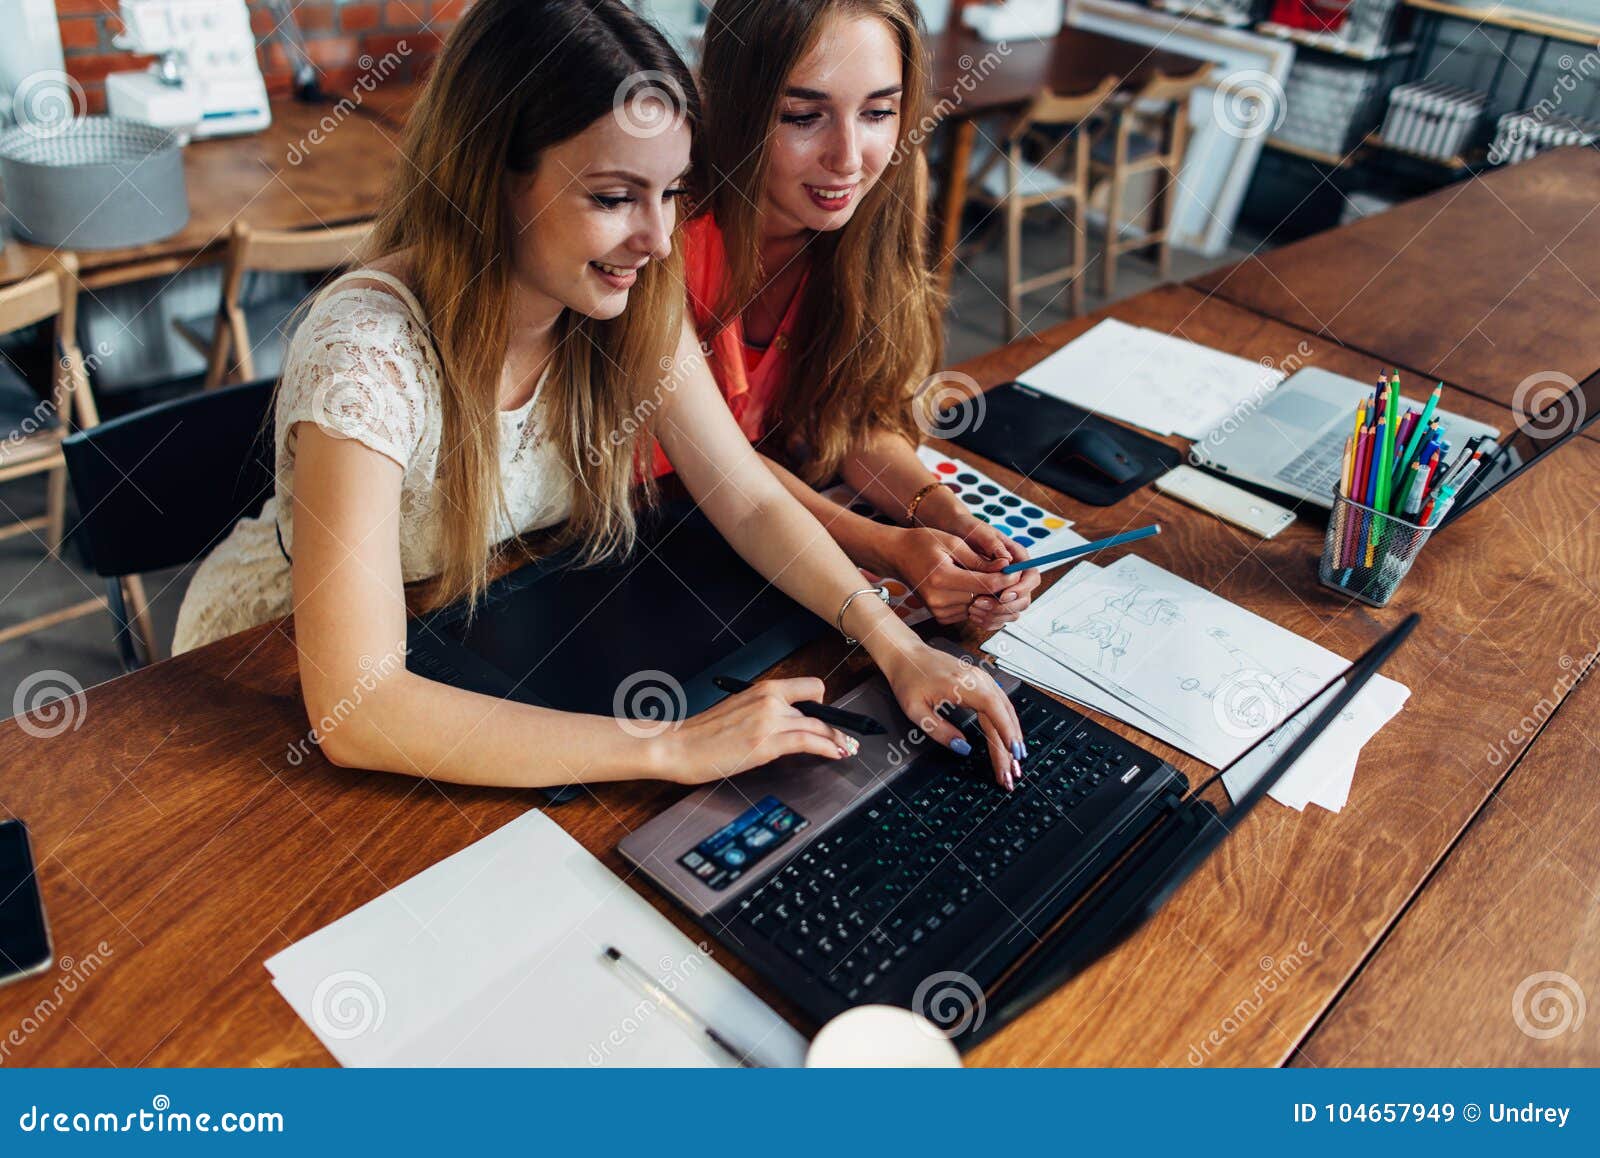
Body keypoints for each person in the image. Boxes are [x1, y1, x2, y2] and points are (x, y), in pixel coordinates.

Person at [172, 0, 1025, 790]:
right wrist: (672, 745)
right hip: (261, 682)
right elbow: (357, 712)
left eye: (671, 194)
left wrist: (895, 644)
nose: (658, 241)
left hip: (468, 622)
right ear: (493, 178)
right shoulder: (369, 352)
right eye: (615, 197)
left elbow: (749, 498)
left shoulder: (625, 294)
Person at [677, 0, 1040, 632]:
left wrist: (944, 516)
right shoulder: (668, 223)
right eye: (802, 115)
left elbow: (855, 412)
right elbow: (705, 462)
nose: (848, 158)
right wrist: (891, 549)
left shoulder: (886, 188)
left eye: (878, 112)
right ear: (735, 106)